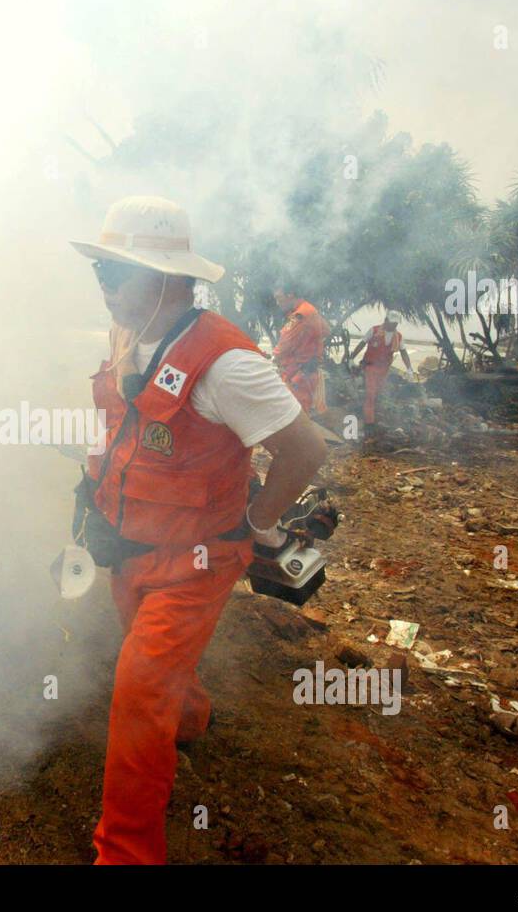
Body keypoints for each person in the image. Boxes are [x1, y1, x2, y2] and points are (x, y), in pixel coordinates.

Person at [70, 196, 328, 864]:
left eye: (116, 270)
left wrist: (255, 523)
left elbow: (304, 450)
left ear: (166, 277)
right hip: (131, 551)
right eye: (100, 267)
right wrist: (90, 492)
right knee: (155, 672)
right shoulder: (129, 334)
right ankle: (189, 718)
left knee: (137, 688)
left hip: (197, 563)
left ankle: (125, 853)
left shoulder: (227, 363)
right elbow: (124, 428)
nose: (103, 284)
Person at [271, 290, 330, 415]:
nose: (277, 303)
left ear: (290, 294)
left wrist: (272, 358)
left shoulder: (301, 314)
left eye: (279, 298)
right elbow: (325, 330)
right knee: (299, 413)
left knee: (295, 415)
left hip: (298, 375)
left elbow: (284, 343)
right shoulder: (310, 310)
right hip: (304, 372)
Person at [349, 312, 413, 426]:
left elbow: (403, 352)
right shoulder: (374, 331)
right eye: (392, 323)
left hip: (384, 370)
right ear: (386, 320)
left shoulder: (398, 337)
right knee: (371, 393)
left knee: (379, 393)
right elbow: (362, 344)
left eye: (396, 324)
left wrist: (409, 369)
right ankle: (369, 423)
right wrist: (351, 358)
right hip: (370, 367)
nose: (394, 326)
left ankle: (374, 417)